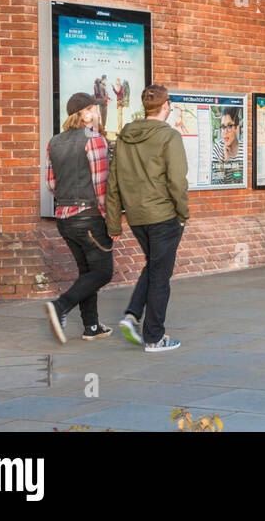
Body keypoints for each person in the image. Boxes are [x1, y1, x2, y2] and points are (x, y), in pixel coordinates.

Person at [106, 84, 189, 353]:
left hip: (137, 216)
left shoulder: (125, 136)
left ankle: (132, 315)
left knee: (154, 266)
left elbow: (113, 182)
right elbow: (177, 180)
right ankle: (154, 337)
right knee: (161, 276)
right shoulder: (169, 136)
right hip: (164, 214)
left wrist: (114, 222)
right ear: (166, 106)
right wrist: (182, 214)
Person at [43, 93, 115, 343]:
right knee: (104, 272)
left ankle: (91, 326)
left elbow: (51, 184)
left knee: (87, 273)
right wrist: (108, 219)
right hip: (89, 217)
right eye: (93, 110)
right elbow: (100, 185)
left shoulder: (54, 142)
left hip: (65, 218)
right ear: (84, 113)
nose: (96, 114)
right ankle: (61, 306)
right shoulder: (94, 140)